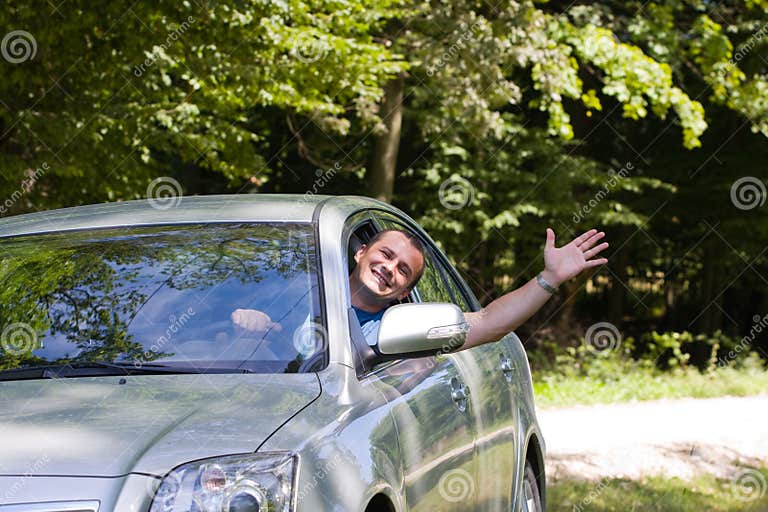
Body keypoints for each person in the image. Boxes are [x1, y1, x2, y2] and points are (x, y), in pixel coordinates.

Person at [232, 227, 609, 351]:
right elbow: (232, 325)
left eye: (402, 270)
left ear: (402, 293)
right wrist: (245, 321)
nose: (388, 269)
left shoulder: (395, 328)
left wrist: (549, 279)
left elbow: (490, 321)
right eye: (384, 254)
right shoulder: (294, 290)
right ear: (361, 252)